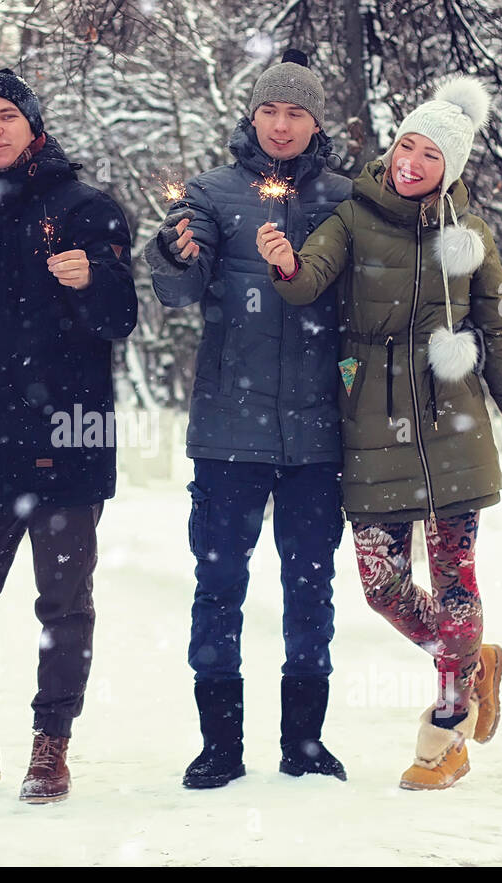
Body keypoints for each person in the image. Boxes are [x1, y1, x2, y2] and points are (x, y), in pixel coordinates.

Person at [258, 76, 502, 790]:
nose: (412, 163)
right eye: (407, 147)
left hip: (454, 423)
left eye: (430, 156)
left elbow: (499, 339)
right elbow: (310, 278)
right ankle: (469, 660)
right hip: (372, 421)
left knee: (456, 580)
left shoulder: (471, 238)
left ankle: (445, 733)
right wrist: (286, 262)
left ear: (450, 168)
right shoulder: (354, 215)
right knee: (381, 584)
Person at [143, 50, 353, 789]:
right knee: (219, 583)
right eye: (270, 110)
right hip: (229, 431)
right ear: (252, 116)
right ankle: (219, 746)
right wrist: (172, 250)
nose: (282, 124)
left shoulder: (346, 199)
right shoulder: (211, 193)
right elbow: (178, 284)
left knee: (311, 585)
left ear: (316, 120)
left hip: (319, 435)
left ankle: (304, 742)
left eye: (296, 112)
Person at [0, 69, 138, 804]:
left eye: (4, 117)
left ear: (34, 125)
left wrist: (94, 281)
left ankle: (52, 746)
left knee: (63, 604)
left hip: (69, 441)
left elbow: (121, 320)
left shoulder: (89, 209)